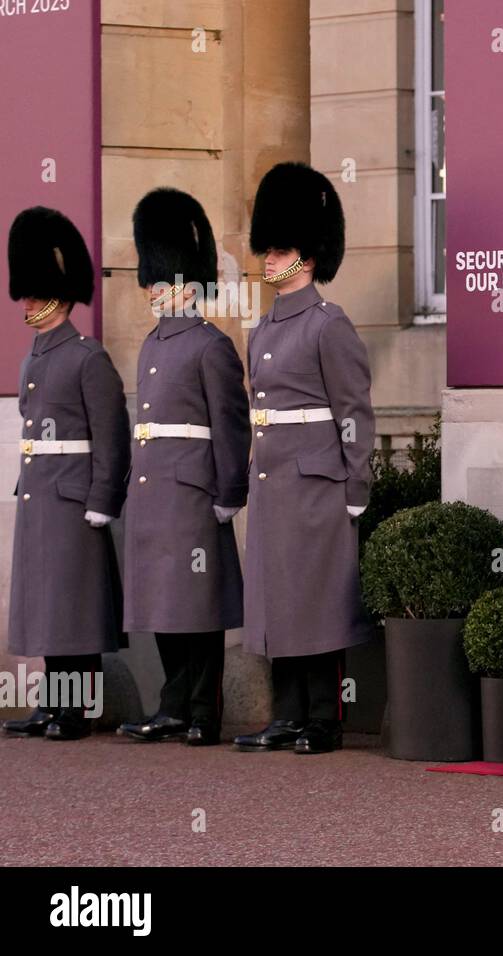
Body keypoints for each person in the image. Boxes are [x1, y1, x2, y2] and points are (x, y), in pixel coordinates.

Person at [233, 162, 374, 755]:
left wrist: (355, 485)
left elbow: (354, 412)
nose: (268, 260)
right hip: (273, 482)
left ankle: (323, 716)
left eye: (280, 250)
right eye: (266, 250)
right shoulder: (262, 329)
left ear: (308, 256)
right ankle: (286, 714)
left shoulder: (327, 325)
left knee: (317, 600)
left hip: (317, 484)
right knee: (276, 599)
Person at [117, 188, 250, 746]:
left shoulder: (209, 345)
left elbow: (230, 424)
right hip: (154, 491)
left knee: (199, 608)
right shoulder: (150, 345)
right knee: (162, 606)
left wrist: (228, 491)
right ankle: (172, 706)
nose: (152, 291)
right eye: (150, 281)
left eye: (161, 280)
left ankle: (202, 711)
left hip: (194, 491)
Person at [1, 207, 130, 741]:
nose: (27, 303)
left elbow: (112, 436)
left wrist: (102, 499)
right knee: (50, 607)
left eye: (35, 294)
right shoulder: (35, 356)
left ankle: (76, 711)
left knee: (73, 608)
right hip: (41, 493)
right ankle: (52, 704)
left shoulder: (87, 357)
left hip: (75, 499)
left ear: (60, 295)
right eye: (26, 294)